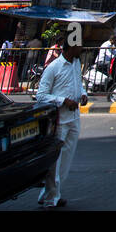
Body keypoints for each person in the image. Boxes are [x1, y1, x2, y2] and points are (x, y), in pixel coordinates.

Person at [35, 43, 88, 209]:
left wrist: (83, 94)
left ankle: (51, 193)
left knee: (66, 158)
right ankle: (51, 199)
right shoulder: (53, 67)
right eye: (79, 47)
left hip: (74, 117)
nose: (82, 50)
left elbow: (78, 83)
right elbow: (41, 96)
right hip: (59, 119)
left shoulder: (76, 63)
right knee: (55, 160)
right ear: (69, 48)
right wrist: (63, 100)